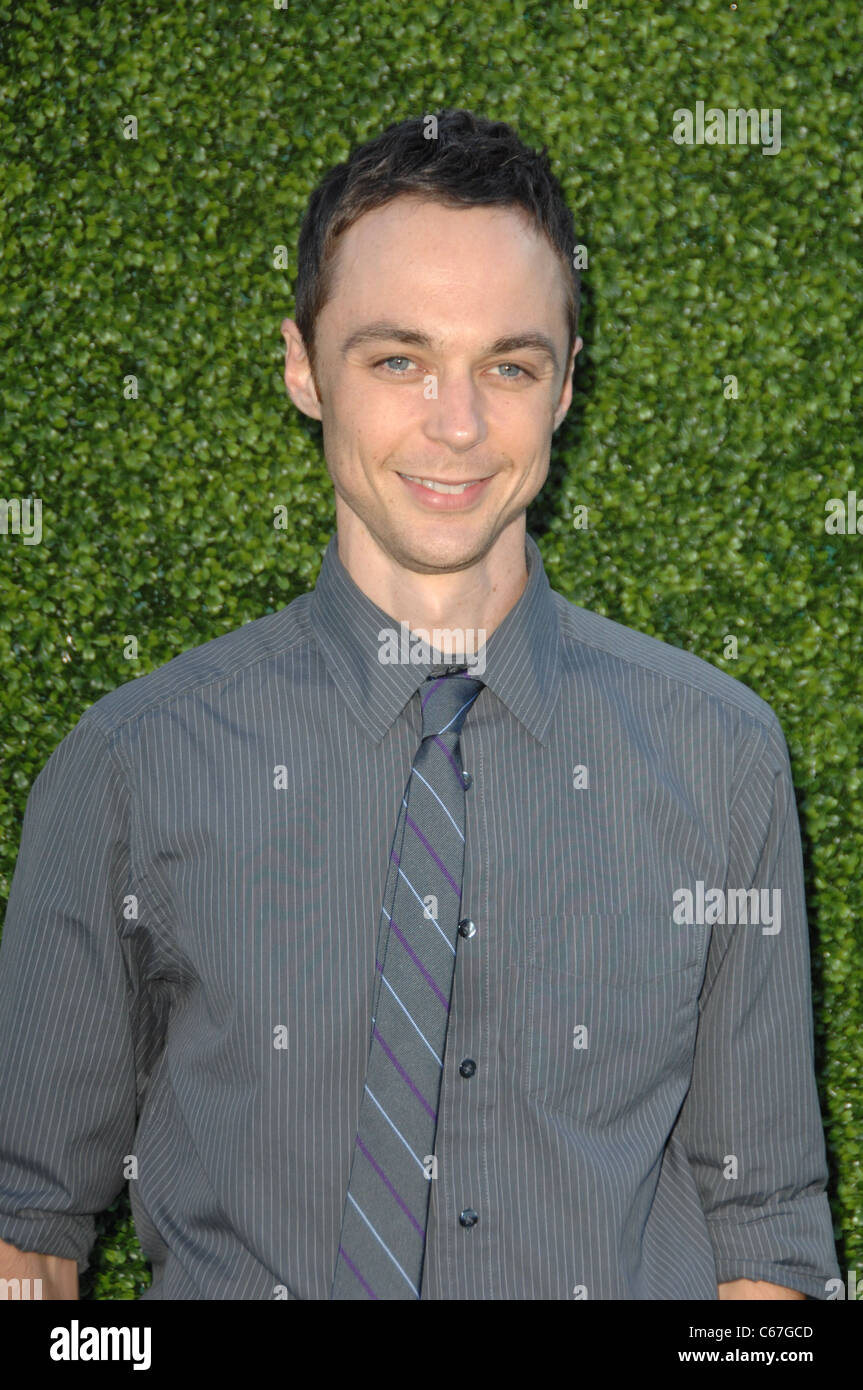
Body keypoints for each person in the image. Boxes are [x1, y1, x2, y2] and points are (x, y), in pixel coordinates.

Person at [0, 109, 840, 1300]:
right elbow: (25, 1222)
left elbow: (764, 1232)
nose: (456, 424)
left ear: (562, 390)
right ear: (302, 365)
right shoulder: (132, 766)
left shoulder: (718, 757)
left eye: (507, 364)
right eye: (397, 359)